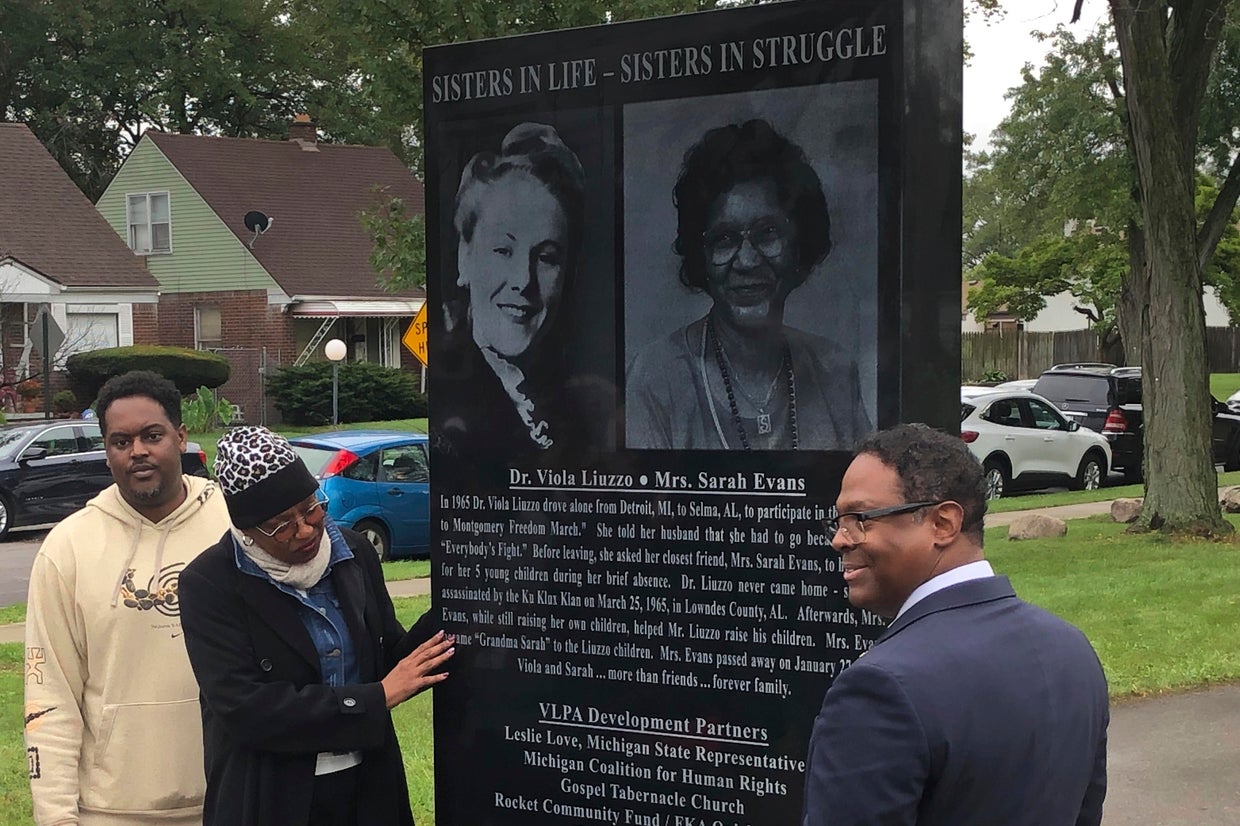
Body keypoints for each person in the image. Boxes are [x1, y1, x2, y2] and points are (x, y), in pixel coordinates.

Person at [802, 423, 1109, 825]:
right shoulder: (1071, 650)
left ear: (943, 524)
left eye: (860, 518)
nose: (839, 539)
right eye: (839, 521)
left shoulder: (880, 689)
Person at [177, 425, 453, 826]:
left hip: (369, 786)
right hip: (271, 796)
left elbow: (386, 654)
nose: (305, 529)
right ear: (247, 532)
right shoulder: (209, 584)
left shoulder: (353, 552)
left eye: (311, 508)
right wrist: (374, 699)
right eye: (281, 524)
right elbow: (246, 709)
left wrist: (459, 607)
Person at [24, 370, 232, 825]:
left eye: (152, 435)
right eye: (121, 441)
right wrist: (57, 817)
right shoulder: (68, 547)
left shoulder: (233, 525)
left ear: (181, 437)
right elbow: (49, 694)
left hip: (231, 799)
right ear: (107, 452)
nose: (137, 451)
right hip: (112, 810)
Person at [627, 118, 871, 451]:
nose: (747, 261)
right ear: (700, 256)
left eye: (768, 233)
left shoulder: (835, 372)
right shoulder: (657, 378)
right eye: (724, 239)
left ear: (800, 242)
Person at [435, 121, 597, 459]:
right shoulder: (451, 408)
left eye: (546, 257)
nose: (523, 280)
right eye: (502, 250)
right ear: (465, 257)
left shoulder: (580, 406)